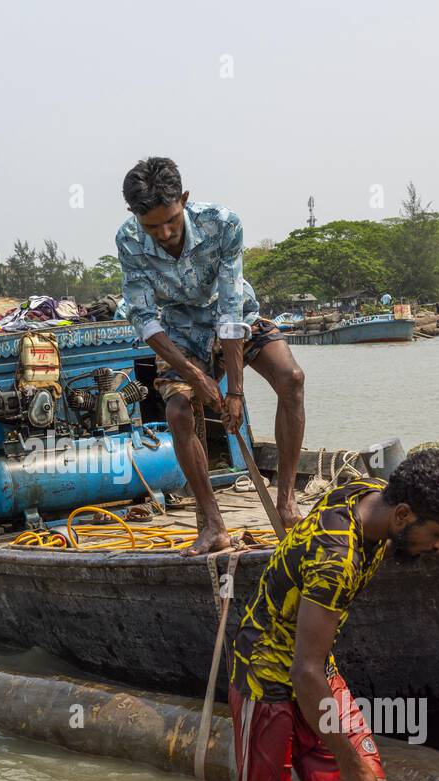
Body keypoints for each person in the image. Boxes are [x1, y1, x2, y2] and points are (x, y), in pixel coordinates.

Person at [226, 449, 439, 781]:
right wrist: (349, 764)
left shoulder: (369, 494)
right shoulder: (335, 562)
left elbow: (311, 667)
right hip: (265, 676)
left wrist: (437, 538)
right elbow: (303, 672)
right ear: (402, 516)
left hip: (312, 667)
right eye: (436, 535)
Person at [116, 156, 306, 556]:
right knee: (179, 412)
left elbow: (231, 307)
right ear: (135, 216)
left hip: (235, 318)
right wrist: (196, 376)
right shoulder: (129, 240)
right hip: (181, 331)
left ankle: (287, 503)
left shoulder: (223, 223)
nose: (165, 233)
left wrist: (234, 391)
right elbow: (144, 317)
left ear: (184, 199)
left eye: (171, 220)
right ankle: (213, 525)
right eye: (152, 226)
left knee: (292, 378)